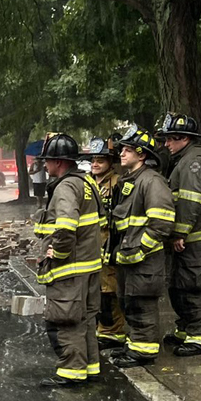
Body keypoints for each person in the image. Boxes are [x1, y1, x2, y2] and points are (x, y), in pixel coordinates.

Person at [33, 133, 107, 387]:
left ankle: (72, 372)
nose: (45, 164)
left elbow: (65, 227)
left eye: (47, 160)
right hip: (89, 265)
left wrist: (58, 254)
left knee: (67, 320)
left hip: (70, 268)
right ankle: (90, 368)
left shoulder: (65, 187)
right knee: (86, 319)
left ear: (59, 162)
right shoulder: (86, 182)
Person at [106, 128, 176, 367]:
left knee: (142, 306)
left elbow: (162, 223)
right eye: (122, 150)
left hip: (143, 260)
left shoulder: (152, 181)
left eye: (128, 150)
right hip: (129, 257)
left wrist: (140, 250)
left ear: (142, 155)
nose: (122, 154)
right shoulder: (130, 180)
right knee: (129, 303)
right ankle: (135, 345)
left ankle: (144, 352)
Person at [161, 113, 201, 355]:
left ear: (184, 138)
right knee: (181, 286)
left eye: (170, 139)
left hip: (193, 239)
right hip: (190, 238)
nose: (166, 144)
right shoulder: (187, 159)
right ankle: (186, 329)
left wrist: (180, 233)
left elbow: (191, 200)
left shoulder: (194, 162)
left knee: (195, 287)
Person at [83, 138, 127, 348]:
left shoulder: (119, 183)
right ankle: (100, 328)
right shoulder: (87, 183)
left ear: (110, 162)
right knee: (93, 291)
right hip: (90, 246)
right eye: (93, 160)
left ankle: (113, 332)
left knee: (109, 291)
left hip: (109, 243)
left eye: (100, 160)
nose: (95, 164)